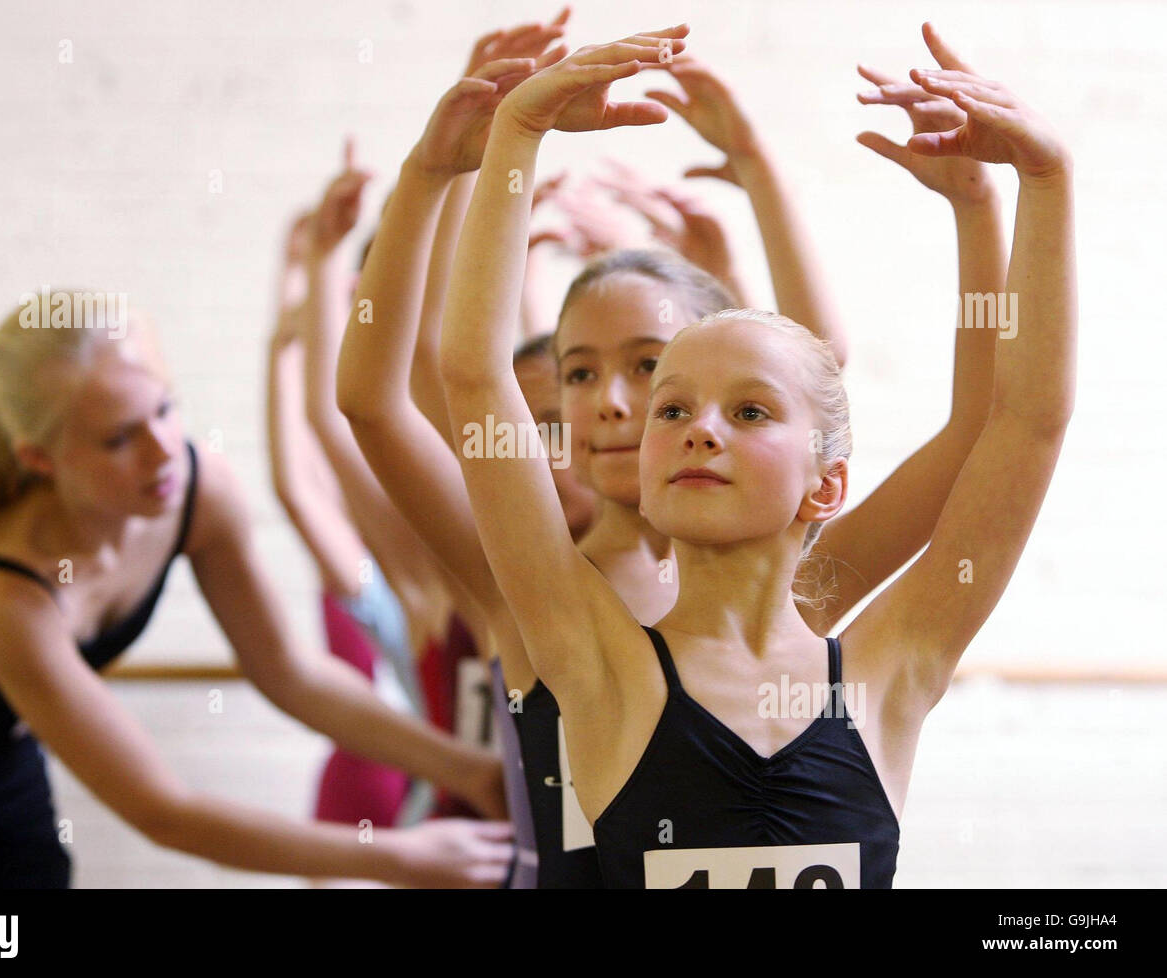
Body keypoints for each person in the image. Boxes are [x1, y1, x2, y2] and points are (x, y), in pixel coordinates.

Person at [440, 22, 1073, 887]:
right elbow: (475, 378)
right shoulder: (596, 662)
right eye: (674, 407)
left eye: (748, 410)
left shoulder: (889, 672)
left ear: (828, 484)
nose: (701, 429)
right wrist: (517, 132)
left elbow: (1020, 422)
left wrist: (1040, 184)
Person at [0, 290, 512, 888]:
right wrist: (398, 857)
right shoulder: (4, 594)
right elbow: (163, 811)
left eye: (166, 410)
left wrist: (468, 768)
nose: (163, 452)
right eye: (120, 438)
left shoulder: (198, 489)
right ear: (40, 458)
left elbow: (288, 671)